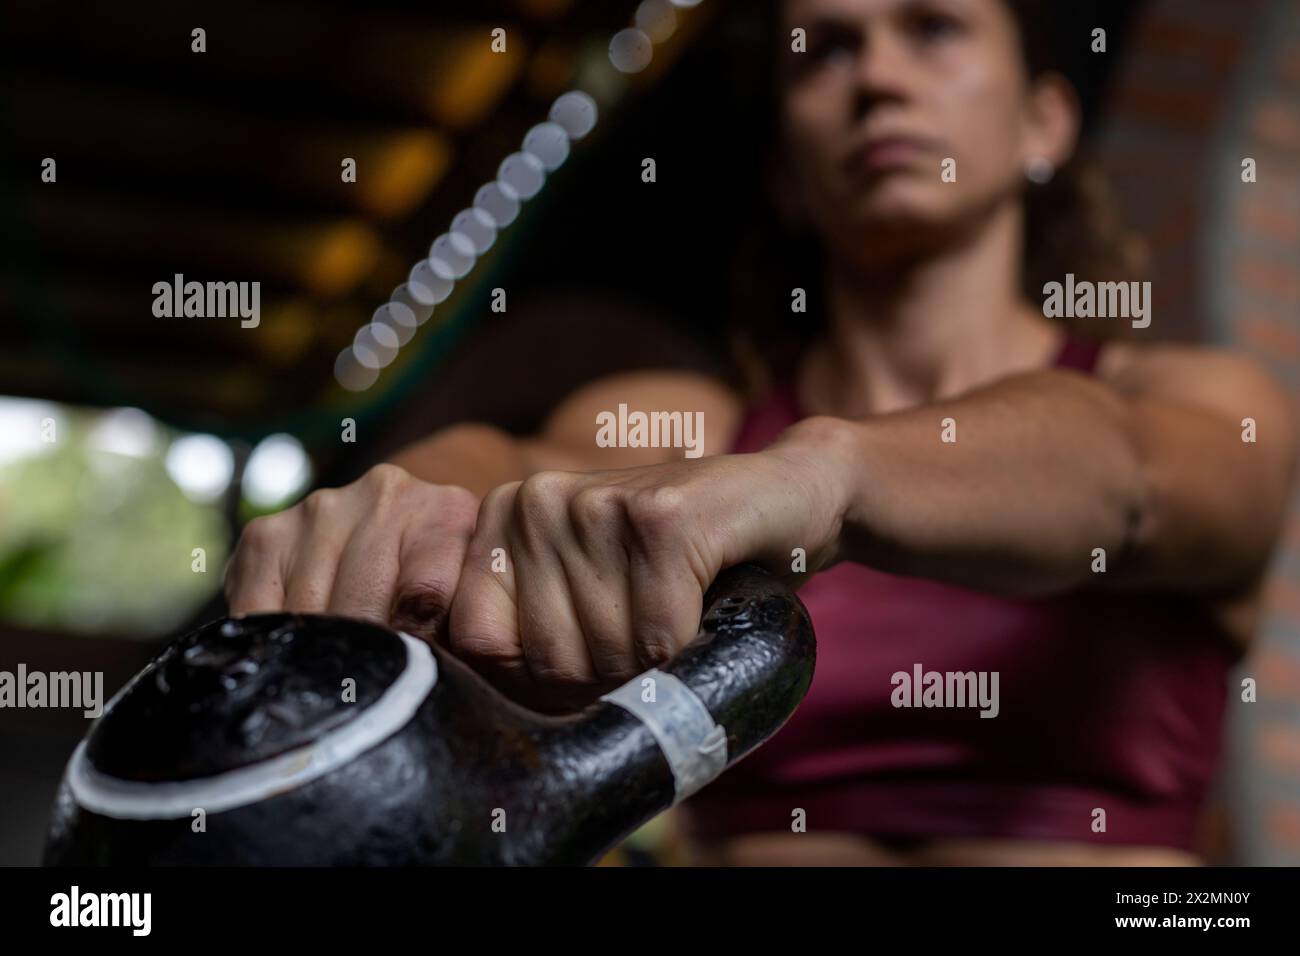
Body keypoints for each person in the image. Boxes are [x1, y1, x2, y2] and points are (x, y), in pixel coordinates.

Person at [223, 0, 1297, 865]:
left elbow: (1128, 475)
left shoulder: (1195, 398)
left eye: (933, 29)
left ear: (1042, 124)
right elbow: (502, 469)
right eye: (824, 51)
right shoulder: (698, 431)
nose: (877, 79)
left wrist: (831, 474)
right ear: (786, 166)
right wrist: (409, 493)